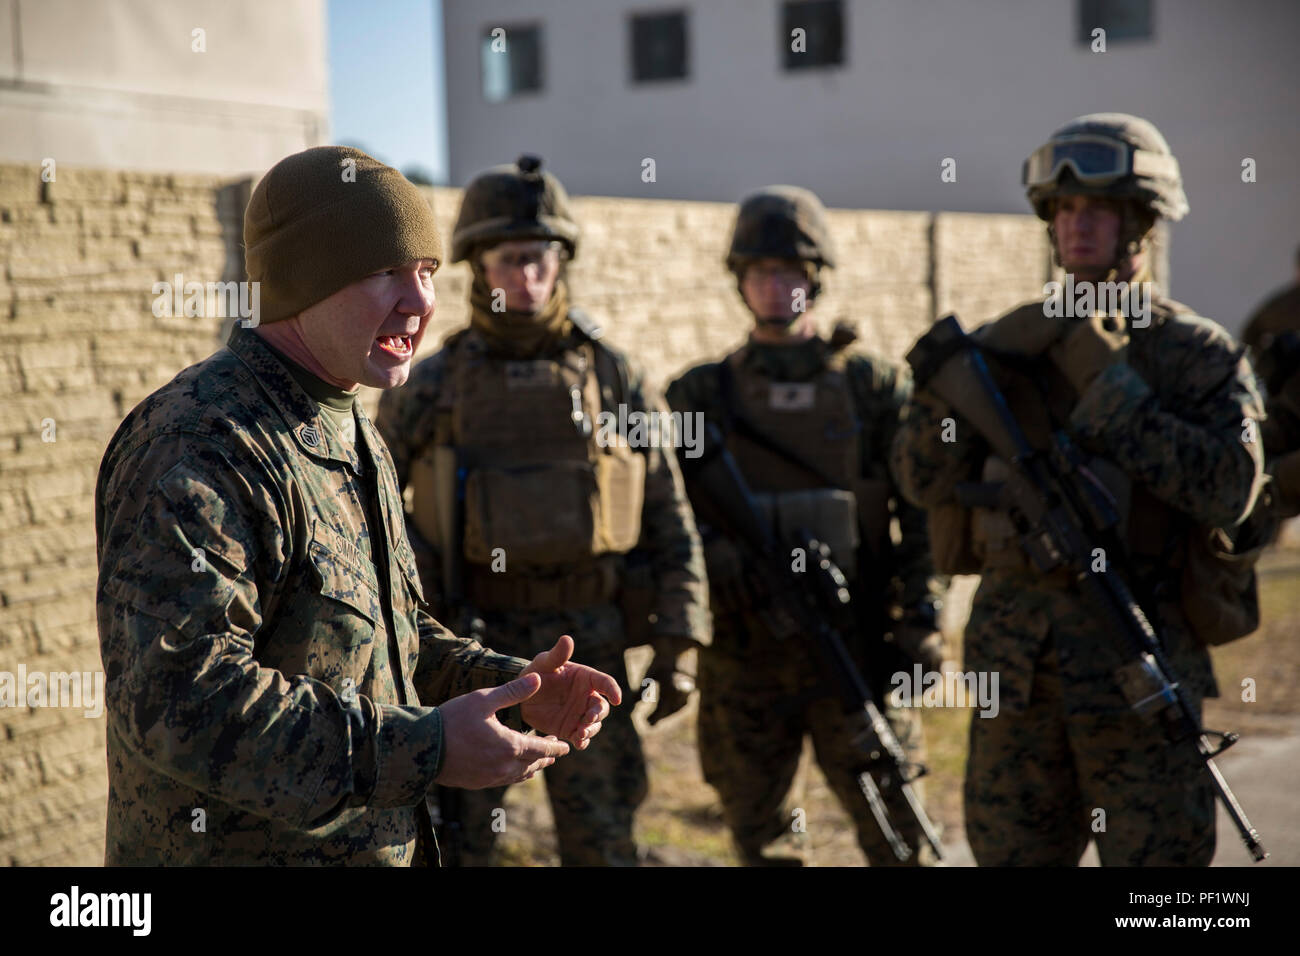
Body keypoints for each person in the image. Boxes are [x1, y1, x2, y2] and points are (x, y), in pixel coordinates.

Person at [95, 146, 621, 866]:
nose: (421, 301)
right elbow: (177, 700)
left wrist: (510, 685)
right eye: (385, 273)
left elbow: (387, 642)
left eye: (427, 272)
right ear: (302, 280)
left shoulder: (350, 422)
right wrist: (423, 749)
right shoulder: (200, 441)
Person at [891, 114, 1266, 865]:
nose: (1076, 225)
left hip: (1142, 664)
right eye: (1062, 210)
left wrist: (1108, 388)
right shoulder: (1004, 346)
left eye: (1095, 210)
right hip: (1016, 677)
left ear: (1142, 223)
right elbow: (921, 482)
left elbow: (1230, 490)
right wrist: (939, 401)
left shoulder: (1194, 352)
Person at [375, 155, 710, 866]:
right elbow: (372, 515)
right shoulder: (430, 383)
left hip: (592, 636)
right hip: (470, 641)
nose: (524, 279)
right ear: (478, 269)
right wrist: (414, 624)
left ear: (562, 264)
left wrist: (681, 641)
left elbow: (668, 513)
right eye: (508, 261)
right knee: (459, 842)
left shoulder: (614, 375)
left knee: (603, 839)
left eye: (539, 259)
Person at [665, 186, 948, 866]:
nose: (775, 286)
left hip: (856, 646)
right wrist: (714, 565)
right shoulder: (699, 395)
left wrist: (923, 618)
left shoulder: (874, 387)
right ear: (740, 282)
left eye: (790, 271)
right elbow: (664, 515)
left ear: (815, 279)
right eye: (761, 272)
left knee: (897, 829)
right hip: (743, 658)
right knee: (762, 839)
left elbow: (921, 512)